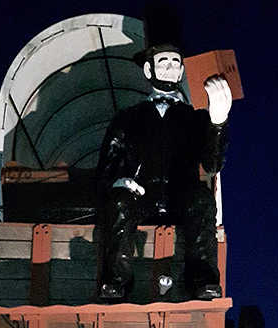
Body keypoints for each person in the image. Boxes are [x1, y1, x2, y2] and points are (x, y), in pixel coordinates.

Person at [97, 42, 232, 300]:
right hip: (141, 197)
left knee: (202, 200)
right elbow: (107, 168)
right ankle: (117, 280)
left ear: (181, 72)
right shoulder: (127, 118)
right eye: (163, 62)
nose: (170, 67)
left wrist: (217, 121)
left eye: (175, 62)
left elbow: (213, 164)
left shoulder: (195, 118)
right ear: (149, 70)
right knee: (119, 202)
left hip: (180, 197)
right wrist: (121, 182)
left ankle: (202, 280)